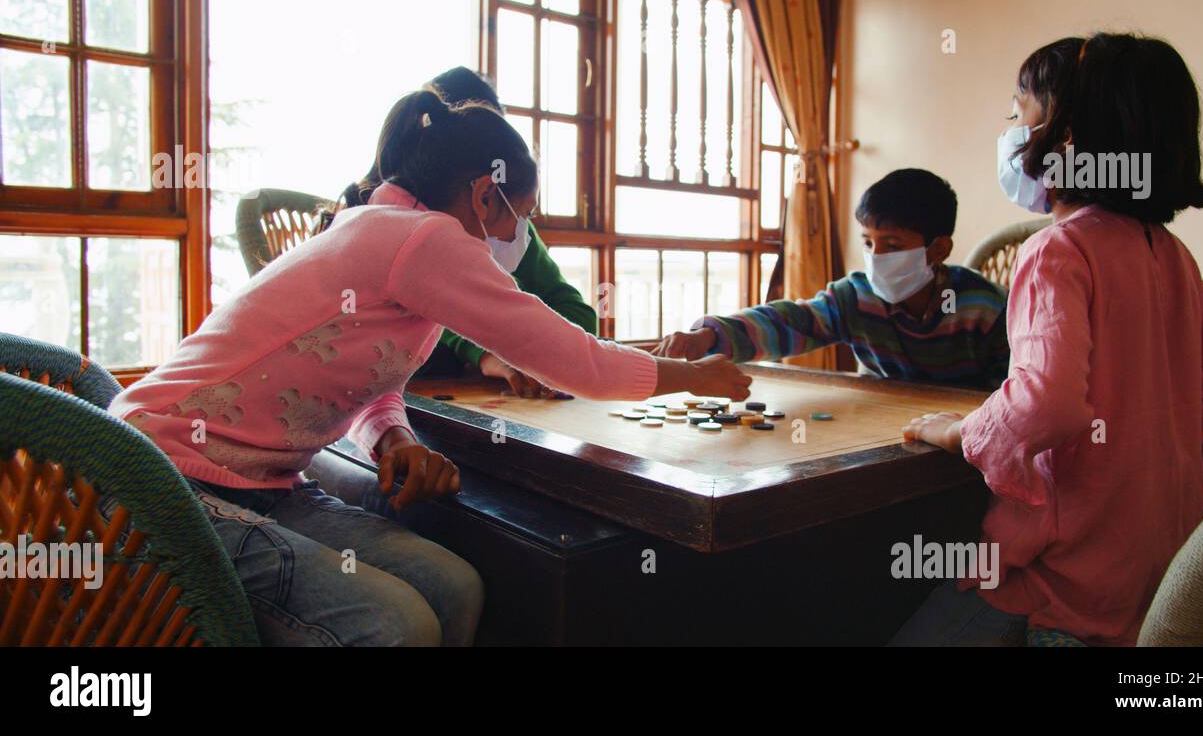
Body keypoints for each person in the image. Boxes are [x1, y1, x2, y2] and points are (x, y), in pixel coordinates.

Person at [109, 89, 751, 646]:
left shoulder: (389, 232)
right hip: (158, 475)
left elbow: (367, 381)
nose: (519, 238)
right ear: (483, 195)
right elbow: (572, 359)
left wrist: (393, 437)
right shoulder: (423, 238)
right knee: (396, 625)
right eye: (519, 217)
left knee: (453, 588)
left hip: (260, 483)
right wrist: (693, 378)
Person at [893, 34, 1203, 646]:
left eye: (1019, 113)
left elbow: (1048, 403)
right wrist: (1140, 451)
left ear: (1068, 138)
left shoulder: (1057, 250)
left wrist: (961, 431)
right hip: (1155, 575)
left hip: (1058, 584)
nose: (1010, 132)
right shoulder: (1174, 256)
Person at [334, 66, 596, 397]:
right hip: (414, 393)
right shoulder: (386, 224)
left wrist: (529, 348)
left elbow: (578, 314)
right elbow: (418, 316)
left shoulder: (509, 227)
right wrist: (485, 352)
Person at [653, 168, 1010, 390]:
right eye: (868, 242)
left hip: (960, 446)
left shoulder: (986, 308)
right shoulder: (856, 297)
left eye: (893, 244)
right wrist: (710, 335)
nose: (877, 256)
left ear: (938, 249)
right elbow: (791, 322)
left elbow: (1010, 399)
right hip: (883, 432)